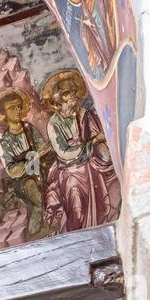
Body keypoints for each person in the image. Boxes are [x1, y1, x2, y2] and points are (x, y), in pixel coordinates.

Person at [42, 71, 118, 231]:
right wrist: (92, 143)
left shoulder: (85, 115)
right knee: (77, 211)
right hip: (70, 170)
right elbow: (63, 152)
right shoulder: (54, 123)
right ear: (57, 98)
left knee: (103, 205)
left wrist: (100, 144)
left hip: (90, 165)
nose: (73, 96)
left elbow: (100, 136)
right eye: (66, 93)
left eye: (74, 91)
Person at [0, 89, 53, 236]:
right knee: (36, 195)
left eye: (19, 106)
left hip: (41, 169)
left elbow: (42, 148)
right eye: (12, 108)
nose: (17, 110)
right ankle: (37, 226)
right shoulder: (4, 142)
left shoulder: (29, 129)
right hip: (22, 181)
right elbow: (13, 171)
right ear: (3, 114)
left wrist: (44, 152)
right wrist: (35, 156)